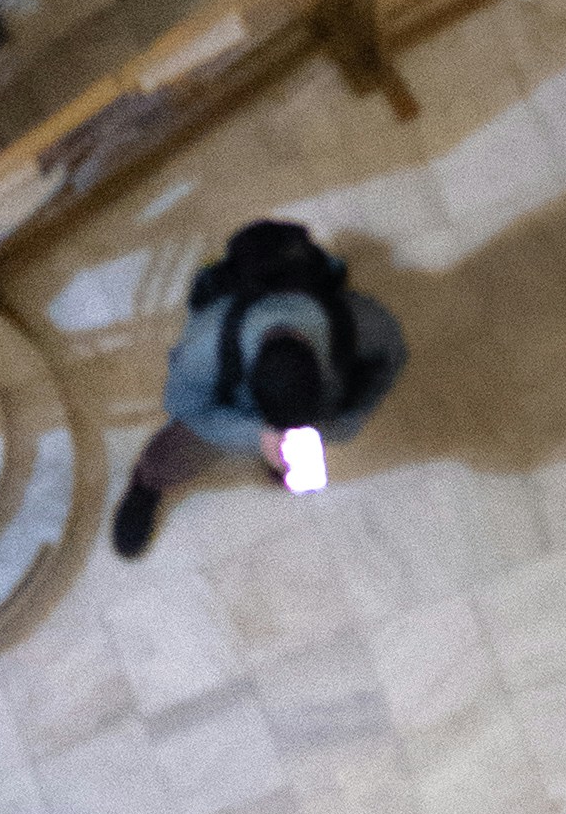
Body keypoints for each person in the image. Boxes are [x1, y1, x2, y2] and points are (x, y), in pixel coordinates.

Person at [105, 210, 408, 559]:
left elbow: (392, 356)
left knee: (282, 447)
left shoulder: (360, 326)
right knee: (179, 445)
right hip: (235, 388)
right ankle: (147, 482)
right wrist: (253, 433)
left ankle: (276, 461)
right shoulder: (202, 349)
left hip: (299, 392)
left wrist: (345, 422)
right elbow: (184, 408)